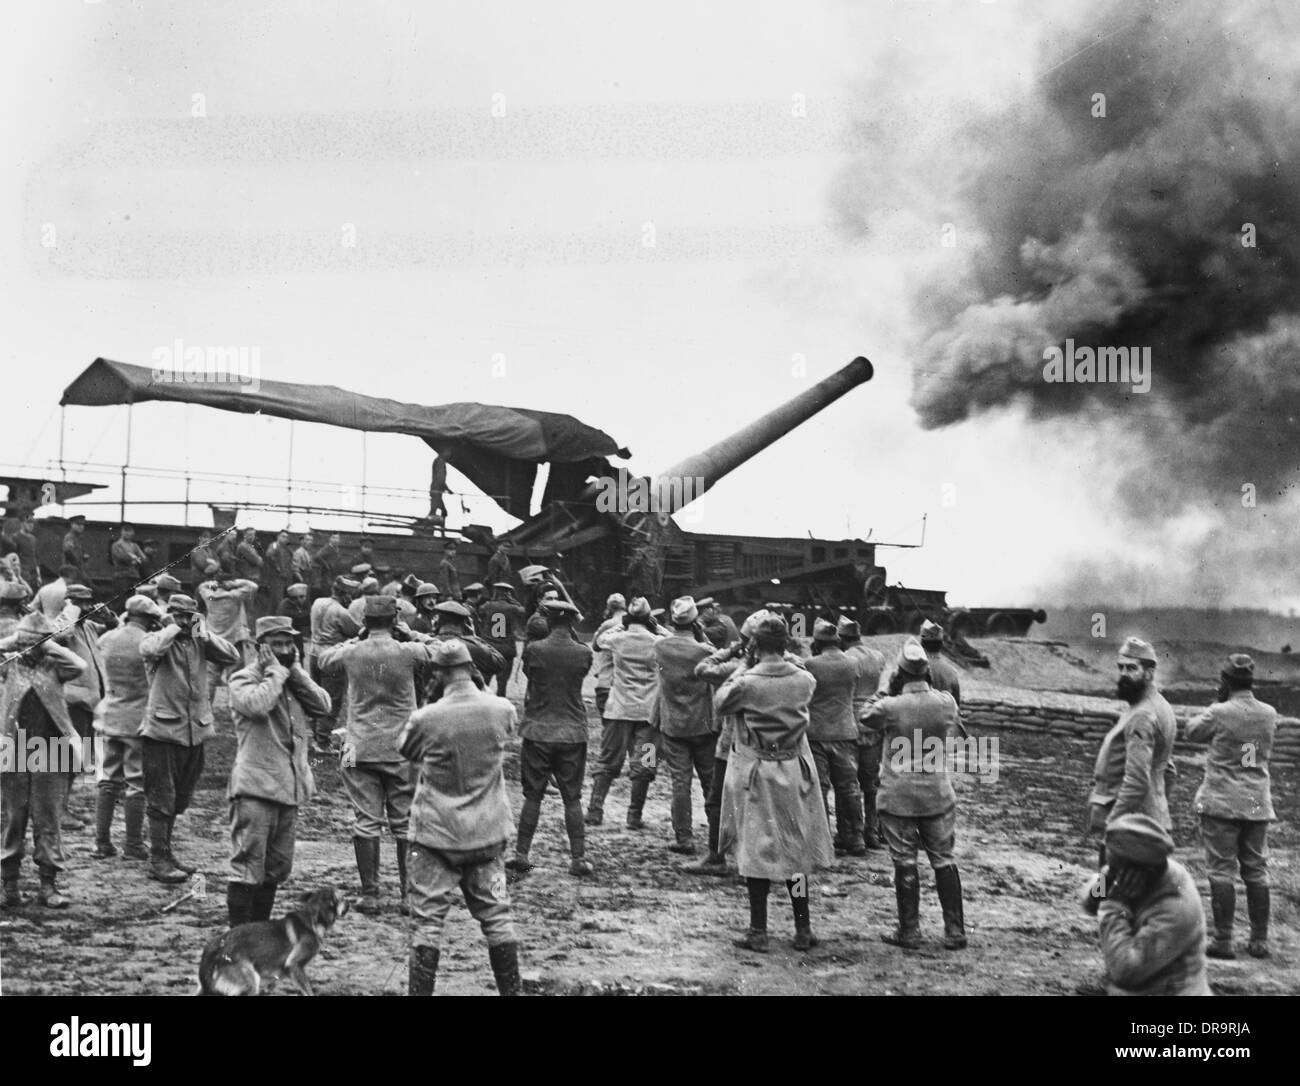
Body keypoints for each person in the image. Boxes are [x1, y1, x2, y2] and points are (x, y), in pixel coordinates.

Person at [399, 639, 521, 996]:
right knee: (498, 917)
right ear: (471, 669)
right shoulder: (502, 708)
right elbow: (506, 728)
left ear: (437, 673)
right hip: (488, 835)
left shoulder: (425, 717)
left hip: (435, 836)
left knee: (427, 924)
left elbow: (406, 750)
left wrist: (429, 703)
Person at [716, 613, 833, 952]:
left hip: (758, 772)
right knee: (795, 851)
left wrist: (742, 665)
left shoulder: (747, 682)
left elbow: (721, 702)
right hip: (793, 768)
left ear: (754, 645)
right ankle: (802, 928)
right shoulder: (804, 680)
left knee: (756, 851)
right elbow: (804, 681)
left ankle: (758, 930)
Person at [318, 595, 432, 915]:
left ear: (365, 621)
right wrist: (412, 634)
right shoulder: (408, 651)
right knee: (406, 823)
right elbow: (446, 651)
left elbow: (324, 659)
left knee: (364, 821)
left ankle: (370, 894)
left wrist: (357, 638)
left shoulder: (353, 651)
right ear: (394, 621)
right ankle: (408, 895)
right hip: (401, 747)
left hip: (357, 746)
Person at [225, 616, 332, 926]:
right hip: (254, 789)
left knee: (276, 869)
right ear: (262, 648)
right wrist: (275, 671)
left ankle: (258, 934)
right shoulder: (243, 679)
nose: (285, 649)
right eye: (277, 644)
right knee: (248, 866)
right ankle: (239, 939)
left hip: (288, 788)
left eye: (289, 643)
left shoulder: (291, 679)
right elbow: (257, 706)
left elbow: (323, 706)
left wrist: (295, 671)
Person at [860, 639, 966, 950]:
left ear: (901, 674)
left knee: (904, 861)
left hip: (899, 796)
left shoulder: (890, 706)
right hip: (937, 794)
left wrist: (885, 689)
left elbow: (866, 716)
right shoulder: (945, 703)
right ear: (927, 673)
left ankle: (909, 930)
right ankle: (955, 930)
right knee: (944, 860)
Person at [138, 595, 240, 883]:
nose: (185, 621)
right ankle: (157, 858)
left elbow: (231, 656)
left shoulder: (199, 642)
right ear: (169, 615)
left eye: (189, 616)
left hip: (195, 731)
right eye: (179, 615)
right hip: (162, 732)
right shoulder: (157, 637)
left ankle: (167, 853)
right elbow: (150, 649)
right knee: (161, 797)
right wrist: (171, 627)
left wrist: (204, 634)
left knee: (180, 798)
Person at [1186, 653, 1278, 960]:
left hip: (1222, 802)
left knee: (1221, 871)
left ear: (1225, 682)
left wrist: (1216, 702)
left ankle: (1223, 940)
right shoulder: (1269, 713)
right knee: (1256, 871)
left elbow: (1192, 731)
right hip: (1256, 802)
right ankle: (1259, 940)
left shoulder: (1219, 711)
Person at [0, 613, 87, 908]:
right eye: (25, 643)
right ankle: (9, 886)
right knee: (13, 819)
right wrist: (14, 641)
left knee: (48, 818)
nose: (29, 649)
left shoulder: (55, 666)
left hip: (51, 749)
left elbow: (80, 665)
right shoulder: (10, 665)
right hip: (13, 750)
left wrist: (50, 645)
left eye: (33, 644)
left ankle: (48, 886)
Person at [507, 599, 594, 878]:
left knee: (533, 795)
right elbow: (581, 668)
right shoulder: (582, 652)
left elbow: (528, 673)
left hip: (538, 730)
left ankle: (522, 854)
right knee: (572, 798)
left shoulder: (534, 650)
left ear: (548, 621)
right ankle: (578, 859)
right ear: (571, 621)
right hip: (571, 731)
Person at [1081, 812, 1209, 996]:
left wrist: (1114, 906)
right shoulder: (1127, 870)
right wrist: (1104, 884)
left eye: (1116, 871)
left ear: (1143, 873)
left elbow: (1125, 972)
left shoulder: (1175, 907)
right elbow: (1089, 903)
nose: (1111, 875)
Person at [1088, 637, 1177, 863]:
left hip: (1131, 827)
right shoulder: (1158, 706)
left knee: (1114, 894)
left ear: (1149, 672)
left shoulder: (1142, 715)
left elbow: (1137, 780)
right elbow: (1169, 771)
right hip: (1147, 820)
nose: (1124, 675)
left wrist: (1113, 824)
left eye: (1132, 668)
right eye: (1121, 668)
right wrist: (1158, 806)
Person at [93, 595, 163, 861]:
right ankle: (133, 844)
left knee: (107, 780)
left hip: (109, 716)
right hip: (136, 719)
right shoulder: (148, 642)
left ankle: (102, 843)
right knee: (136, 783)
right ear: (149, 620)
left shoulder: (107, 638)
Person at [586, 597, 664, 830]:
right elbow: (673, 639)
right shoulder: (657, 641)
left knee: (608, 759)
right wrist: (656, 625)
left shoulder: (618, 638)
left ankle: (594, 811)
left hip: (618, 709)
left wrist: (622, 624)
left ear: (629, 617)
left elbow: (599, 642)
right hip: (649, 714)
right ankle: (634, 815)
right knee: (646, 761)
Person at [655, 596, 716, 856]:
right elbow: (716, 656)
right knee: (710, 782)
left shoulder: (660, 647)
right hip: (702, 723)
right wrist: (701, 636)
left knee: (679, 782)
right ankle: (717, 838)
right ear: (695, 622)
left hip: (672, 724)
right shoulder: (704, 651)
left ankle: (684, 838)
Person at [804, 618, 867, 857]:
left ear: (818, 642)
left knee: (819, 788)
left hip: (817, 733)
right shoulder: (853, 663)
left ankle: (821, 839)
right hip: (845, 731)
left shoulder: (810, 664)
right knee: (849, 787)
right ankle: (855, 835)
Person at [838, 616, 887, 850]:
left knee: (847, 782)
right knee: (871, 783)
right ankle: (873, 832)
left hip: (850, 724)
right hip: (874, 723)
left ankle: (850, 831)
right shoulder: (877, 656)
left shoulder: (846, 659)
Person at [306, 575, 361, 752]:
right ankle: (322, 741)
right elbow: (355, 631)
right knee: (333, 698)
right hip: (332, 655)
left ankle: (315, 735)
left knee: (316, 695)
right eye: (349, 595)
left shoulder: (318, 602)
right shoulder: (341, 612)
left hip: (313, 653)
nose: (350, 599)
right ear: (344, 594)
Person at [195, 573, 259, 699]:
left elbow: (201, 586)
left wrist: (215, 583)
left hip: (213, 642)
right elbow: (253, 585)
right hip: (233, 642)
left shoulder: (209, 596)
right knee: (235, 677)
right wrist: (234, 583)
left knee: (210, 678)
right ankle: (234, 707)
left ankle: (207, 709)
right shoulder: (234, 596)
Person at [479, 583, 526, 697]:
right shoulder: (513, 608)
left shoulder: (487, 606)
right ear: (508, 593)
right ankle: (500, 702)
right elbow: (523, 611)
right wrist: (514, 601)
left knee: (485, 679)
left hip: (489, 648)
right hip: (506, 649)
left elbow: (480, 612)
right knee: (502, 682)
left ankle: (482, 701)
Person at [589, 594, 626, 738]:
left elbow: (595, 646)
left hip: (606, 682)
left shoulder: (608, 624)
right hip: (626, 684)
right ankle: (645, 760)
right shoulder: (635, 623)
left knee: (609, 730)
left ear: (609, 608)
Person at [109, 525, 146, 598]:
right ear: (121, 532)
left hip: (134, 577)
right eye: (125, 530)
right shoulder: (116, 545)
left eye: (130, 531)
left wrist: (133, 557)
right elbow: (123, 558)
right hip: (121, 577)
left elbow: (143, 559)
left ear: (133, 533)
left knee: (133, 600)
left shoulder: (135, 546)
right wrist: (134, 558)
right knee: (120, 601)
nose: (127, 533)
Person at [263, 529, 295, 614]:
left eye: (286, 537)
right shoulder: (274, 545)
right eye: (283, 536)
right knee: (277, 599)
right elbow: (269, 556)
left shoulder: (286, 548)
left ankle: (272, 616)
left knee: (277, 600)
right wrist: (278, 569)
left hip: (283, 578)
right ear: (278, 537)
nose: (285, 539)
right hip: (276, 577)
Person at [12, 511, 40, 590]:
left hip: (34, 573)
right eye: (28, 522)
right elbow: (13, 559)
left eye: (32, 522)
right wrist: (17, 576)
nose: (31, 525)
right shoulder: (15, 537)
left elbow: (36, 558)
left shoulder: (33, 538)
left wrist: (39, 575)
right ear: (21, 523)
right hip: (23, 573)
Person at [310, 533, 342, 597]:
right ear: (330, 539)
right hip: (326, 576)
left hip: (334, 575)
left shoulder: (336, 549)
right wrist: (326, 565)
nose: (336, 540)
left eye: (337, 538)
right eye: (333, 538)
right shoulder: (327, 548)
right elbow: (316, 557)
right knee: (327, 593)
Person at [61, 515, 89, 583]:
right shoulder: (70, 537)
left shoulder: (77, 538)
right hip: (70, 572)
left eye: (82, 524)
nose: (81, 527)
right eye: (78, 524)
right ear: (72, 525)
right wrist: (78, 567)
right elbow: (68, 551)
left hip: (76, 572)